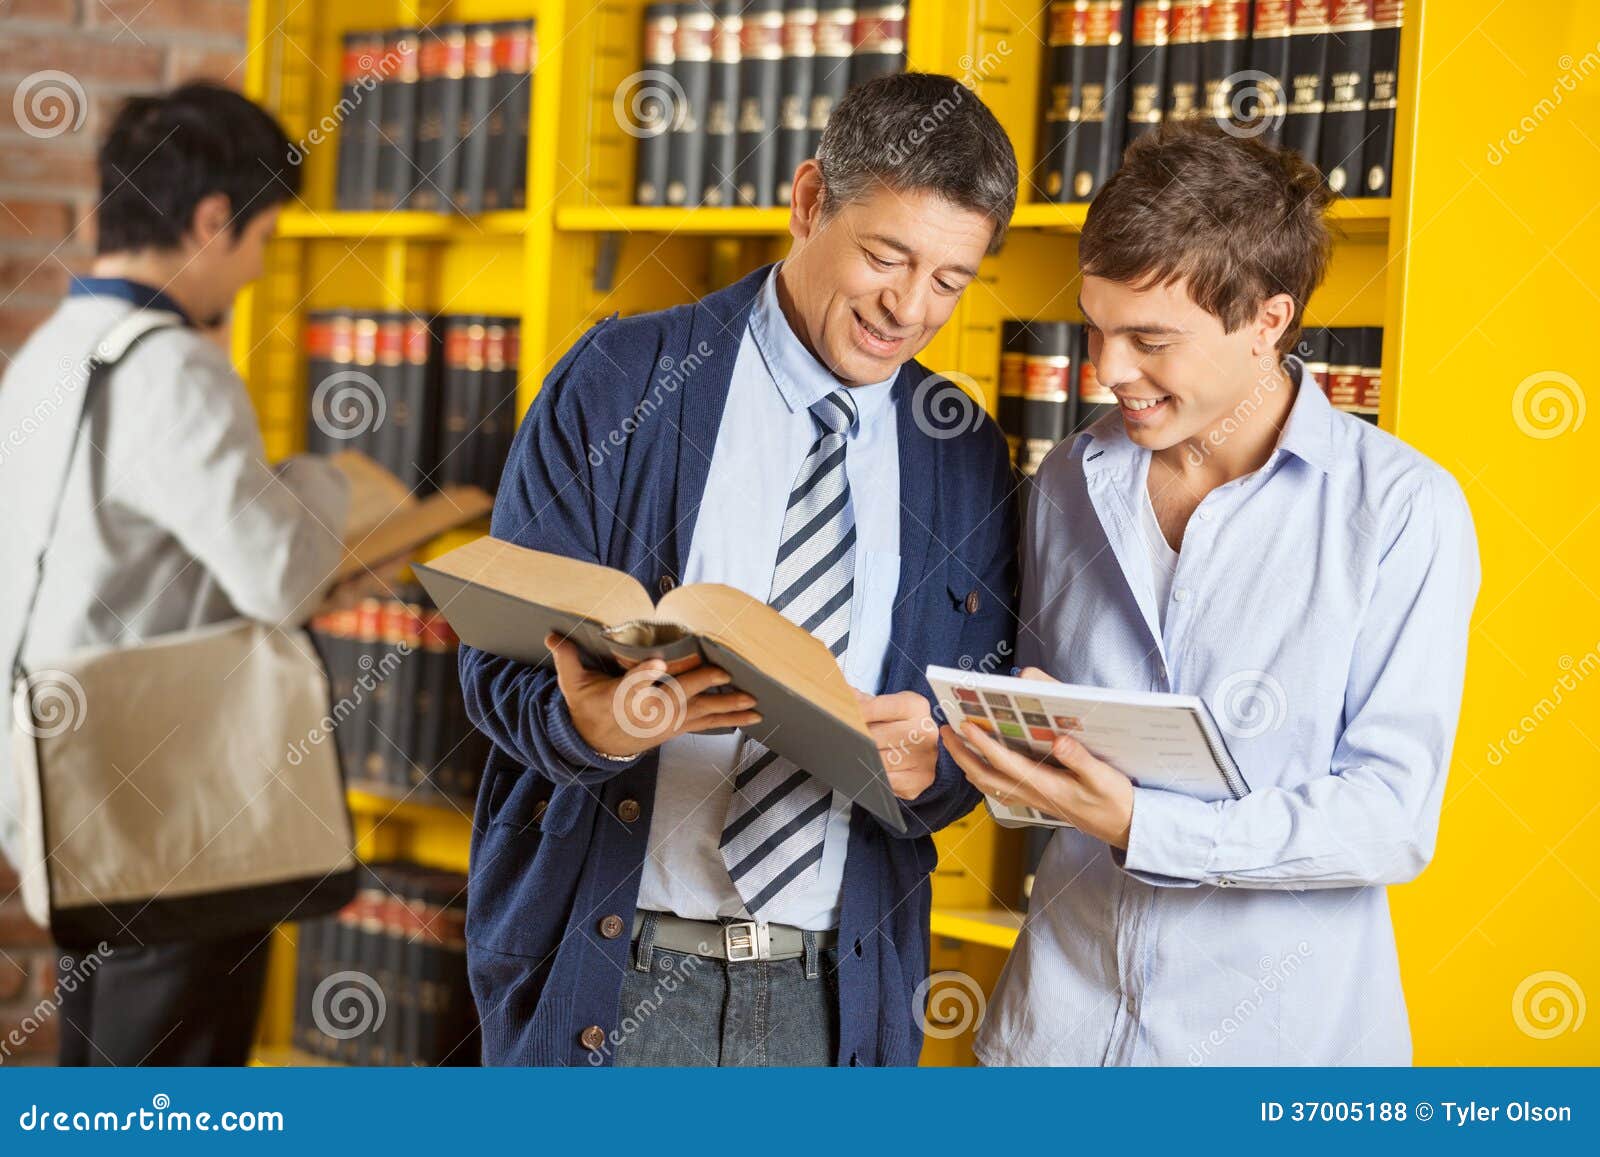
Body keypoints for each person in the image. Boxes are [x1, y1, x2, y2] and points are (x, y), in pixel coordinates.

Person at [459, 73, 1019, 1067]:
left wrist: (934, 770)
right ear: (809, 203)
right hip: (615, 974)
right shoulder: (622, 379)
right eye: (886, 256)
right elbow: (490, 666)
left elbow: (965, 737)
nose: (908, 307)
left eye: (949, 278)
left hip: (834, 994)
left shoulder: (961, 450)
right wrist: (585, 722)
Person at [943, 123, 1480, 1065]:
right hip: (1050, 1042)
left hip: (1272, 1058)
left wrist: (1144, 826)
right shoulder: (1070, 476)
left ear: (1268, 321)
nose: (1108, 372)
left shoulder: (1401, 508)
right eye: (1097, 330)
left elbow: (1391, 819)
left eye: (1151, 340)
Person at [0, 83, 349, 1065]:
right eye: (264, 235)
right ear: (210, 218)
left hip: (69, 785)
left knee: (100, 1067)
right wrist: (324, 480)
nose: (254, 268)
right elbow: (279, 576)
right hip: (168, 798)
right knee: (173, 1081)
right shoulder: (172, 368)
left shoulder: (53, 353)